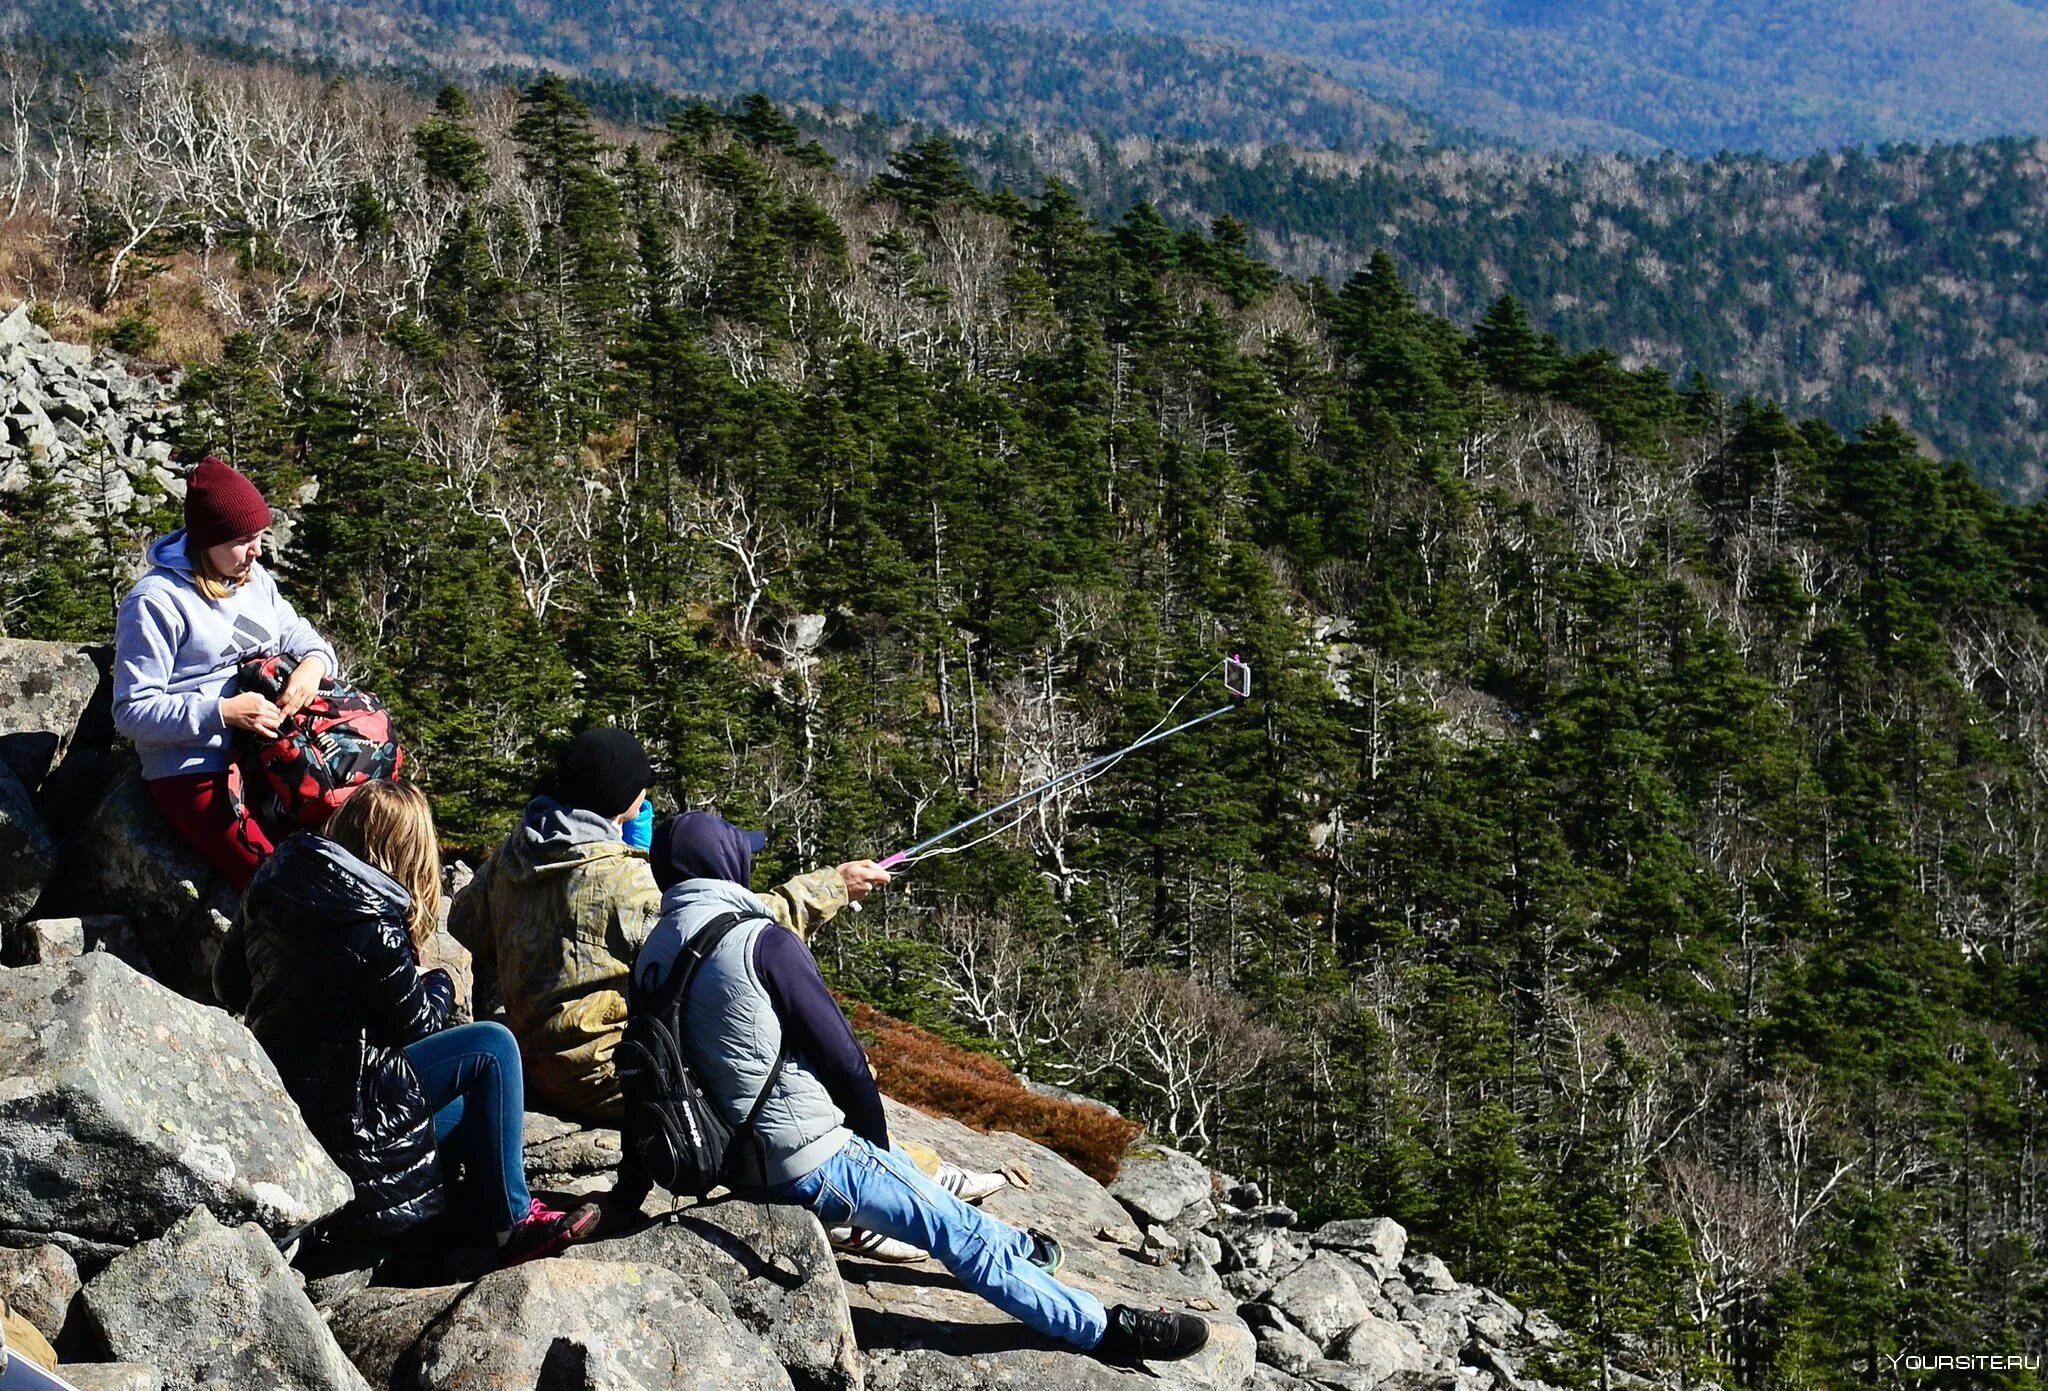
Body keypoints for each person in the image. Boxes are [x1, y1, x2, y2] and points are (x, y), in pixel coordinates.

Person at [625, 811, 1211, 1364]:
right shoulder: (761, 940)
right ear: (725, 864)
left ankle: (1017, 1249)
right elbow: (845, 1059)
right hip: (803, 1157)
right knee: (949, 1230)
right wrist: (874, 1140)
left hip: (725, 1159)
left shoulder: (655, 948)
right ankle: (1105, 1331)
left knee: (926, 1195)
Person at [215, 780, 600, 1263]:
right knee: (493, 1049)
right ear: (405, 851)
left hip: (292, 1096)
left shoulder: (275, 879)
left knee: (472, 1103)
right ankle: (513, 1224)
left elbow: (226, 983)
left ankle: (468, 1214)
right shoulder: (371, 920)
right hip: (347, 1117)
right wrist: (439, 981)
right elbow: (417, 1026)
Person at [113, 456, 338, 890]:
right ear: (206, 540)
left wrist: (313, 667)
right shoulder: (155, 602)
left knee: (351, 840)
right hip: (194, 766)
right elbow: (131, 711)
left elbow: (303, 637)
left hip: (277, 753)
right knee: (279, 882)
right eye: (241, 540)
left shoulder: (255, 580)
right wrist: (224, 712)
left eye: (259, 537)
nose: (256, 551)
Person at [447, 727, 665, 1123]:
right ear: (622, 799)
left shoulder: (520, 847)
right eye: (642, 787)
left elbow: (464, 923)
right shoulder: (626, 881)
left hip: (525, 1059)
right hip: (600, 1080)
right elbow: (706, 947)